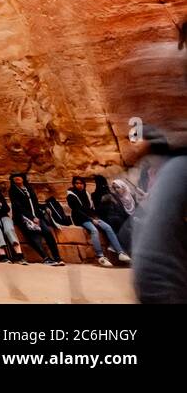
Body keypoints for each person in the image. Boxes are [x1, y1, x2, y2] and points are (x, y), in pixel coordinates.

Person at [132, 125, 187, 303]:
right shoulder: (160, 172)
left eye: (136, 138)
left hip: (165, 287)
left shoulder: (176, 168)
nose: (132, 144)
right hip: (160, 286)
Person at [67, 176, 130, 266]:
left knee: (108, 227)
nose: (79, 185)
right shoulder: (71, 196)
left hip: (91, 217)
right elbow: (77, 211)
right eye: (77, 183)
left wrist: (95, 217)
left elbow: (91, 208)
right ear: (74, 184)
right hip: (80, 218)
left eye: (81, 183)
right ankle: (100, 256)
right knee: (94, 230)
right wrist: (91, 220)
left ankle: (120, 252)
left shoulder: (86, 194)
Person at [8, 173, 63, 265]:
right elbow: (18, 206)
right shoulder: (13, 190)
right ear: (12, 180)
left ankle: (57, 257)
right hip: (22, 218)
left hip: (36, 216)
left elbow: (34, 203)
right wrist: (31, 217)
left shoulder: (29, 188)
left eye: (19, 176)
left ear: (23, 178)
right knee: (33, 235)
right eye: (15, 177)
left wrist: (44, 207)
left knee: (47, 233)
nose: (17, 178)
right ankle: (46, 258)